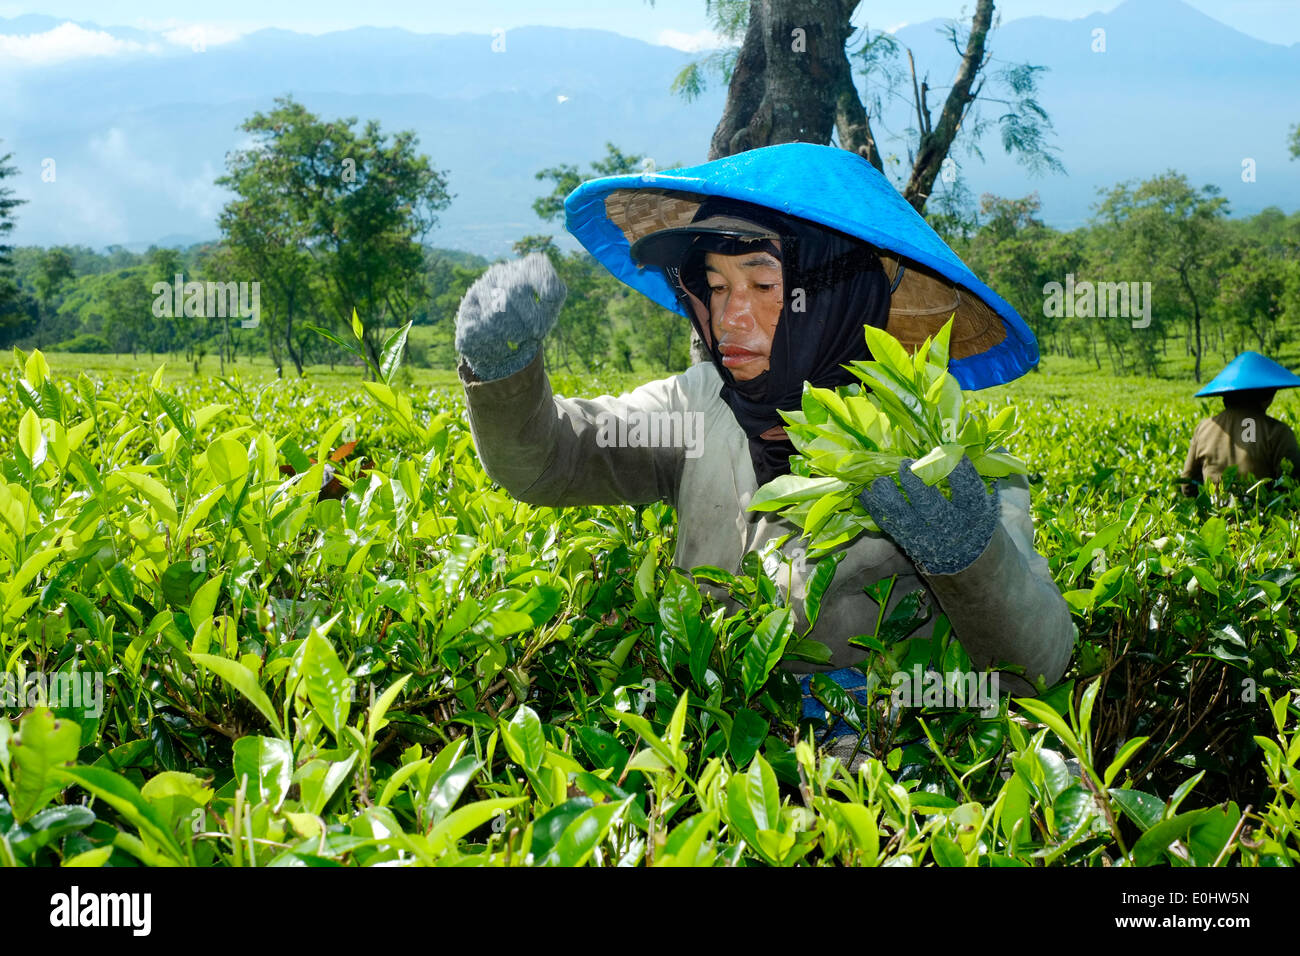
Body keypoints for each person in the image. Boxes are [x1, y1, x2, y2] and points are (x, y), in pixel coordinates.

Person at [453, 143, 1074, 767]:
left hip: (888, 775)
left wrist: (967, 553)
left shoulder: (933, 443)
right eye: (716, 286)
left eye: (764, 284)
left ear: (835, 295)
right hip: (720, 751)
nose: (730, 317)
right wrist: (505, 371)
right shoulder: (700, 408)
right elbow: (553, 459)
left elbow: (1038, 666)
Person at [1180, 351, 1300, 495]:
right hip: (1261, 515)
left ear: (1225, 395)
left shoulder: (1203, 429)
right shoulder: (1277, 432)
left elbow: (1187, 485)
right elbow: (1292, 487)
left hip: (1214, 515)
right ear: (1268, 396)